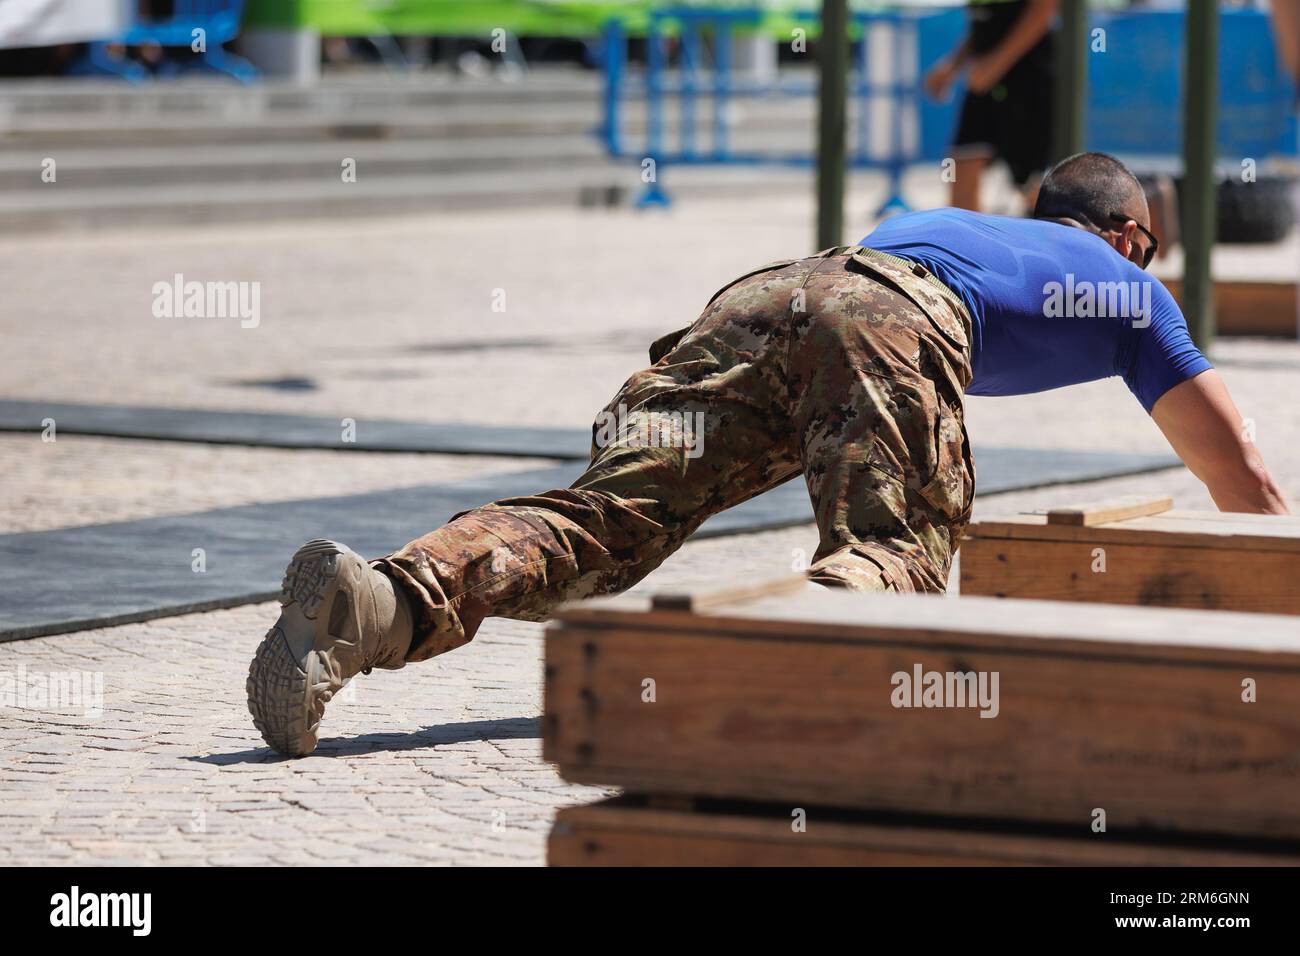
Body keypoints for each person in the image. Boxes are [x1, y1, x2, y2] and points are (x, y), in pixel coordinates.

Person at [247, 152, 1289, 757]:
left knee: (603, 519)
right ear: (1127, 236)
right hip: (883, 318)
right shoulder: (1126, 286)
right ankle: (788, 685)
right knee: (898, 541)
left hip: (761, 296)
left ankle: (378, 600)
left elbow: (835, 315)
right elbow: (1237, 471)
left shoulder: (953, 220)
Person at [924, 0, 1058, 212]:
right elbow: (985, 26)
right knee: (960, 168)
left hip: (1027, 82)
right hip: (983, 83)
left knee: (1035, 190)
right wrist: (952, 66)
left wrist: (995, 64)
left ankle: (1058, 240)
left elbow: (1044, 9)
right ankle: (967, 245)